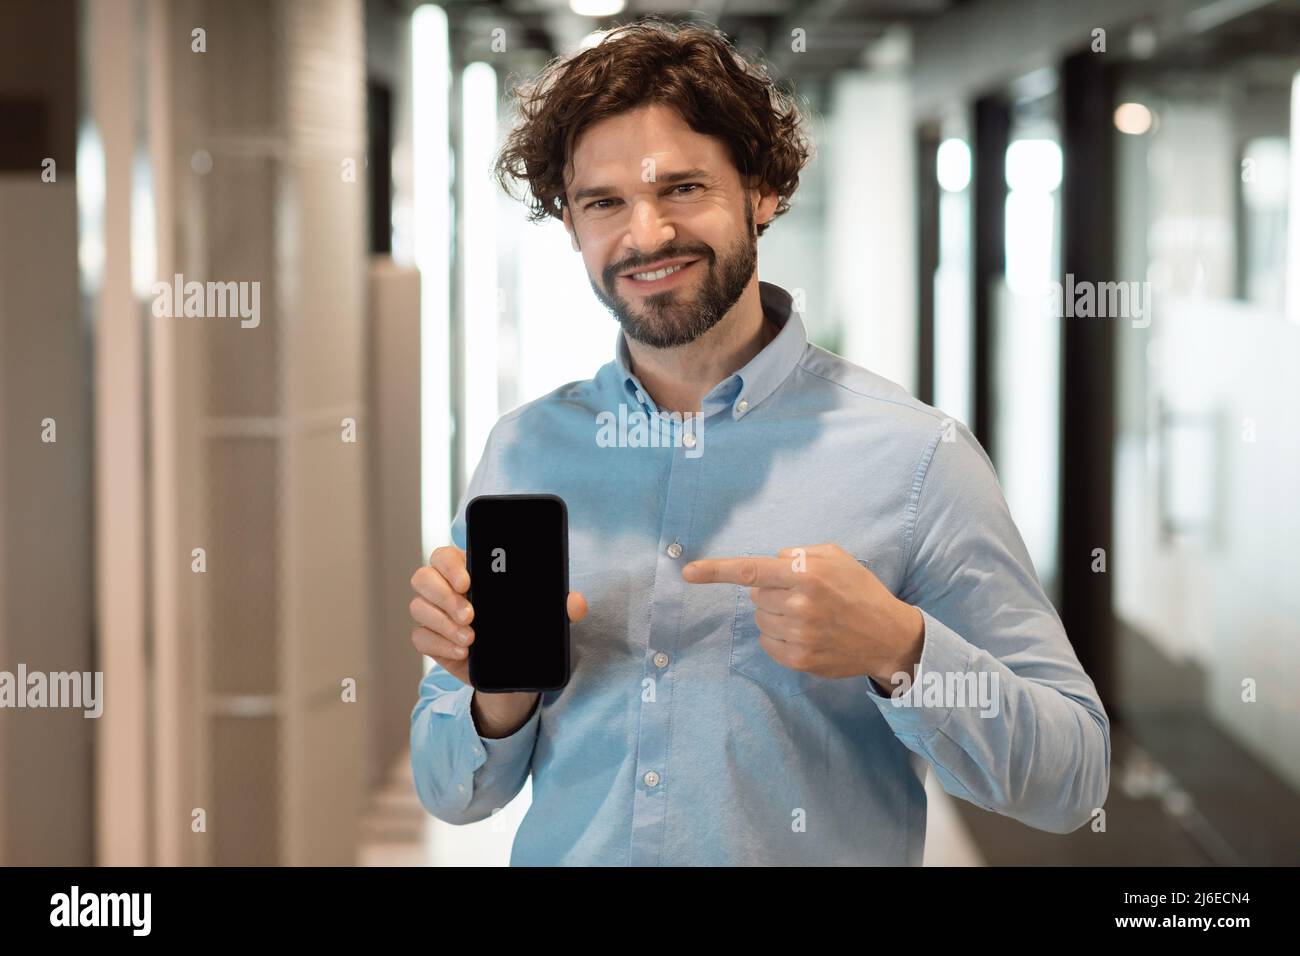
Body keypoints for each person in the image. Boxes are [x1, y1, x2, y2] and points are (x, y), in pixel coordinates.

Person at [409, 18, 1109, 865]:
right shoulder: (525, 451)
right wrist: (498, 698)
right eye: (604, 203)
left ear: (763, 191)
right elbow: (451, 790)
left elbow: (1074, 776)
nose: (646, 235)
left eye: (682, 188)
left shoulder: (917, 458)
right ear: (570, 224)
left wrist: (900, 649)